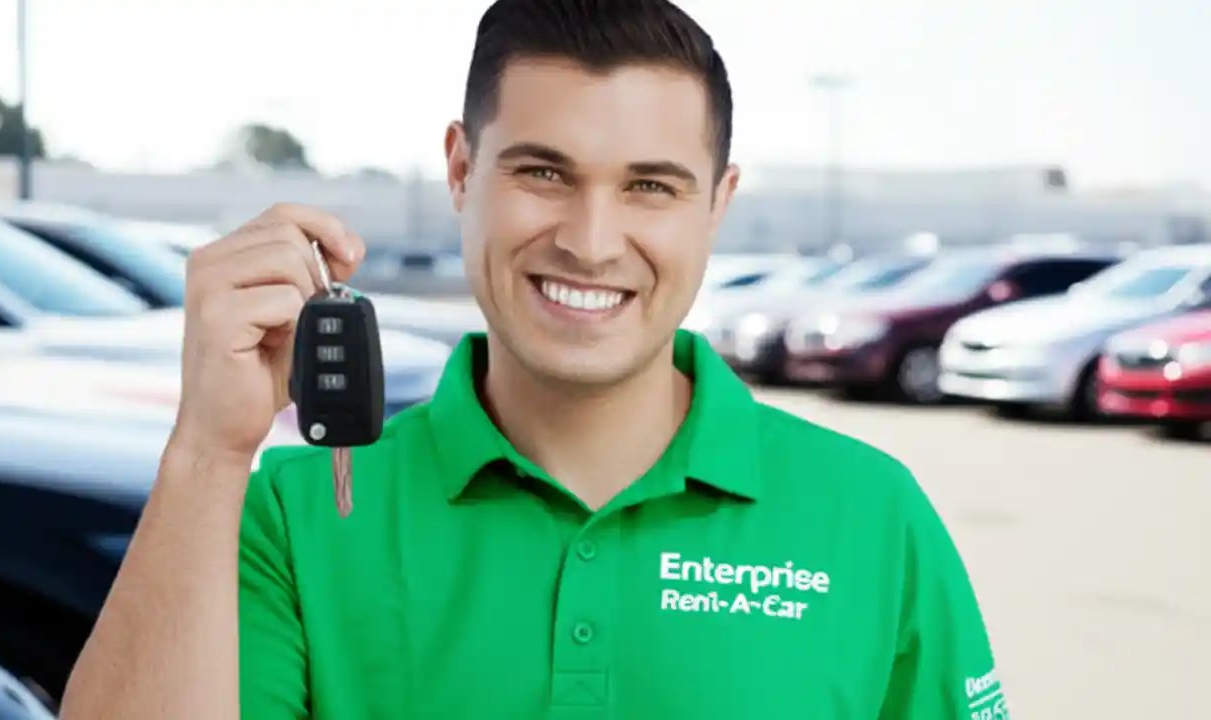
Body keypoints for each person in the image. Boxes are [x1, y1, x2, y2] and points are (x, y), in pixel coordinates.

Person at [60, 0, 1008, 718]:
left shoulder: (873, 517)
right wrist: (205, 454)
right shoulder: (296, 516)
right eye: (544, 173)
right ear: (463, 171)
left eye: (649, 186)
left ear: (716, 205)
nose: (592, 242)